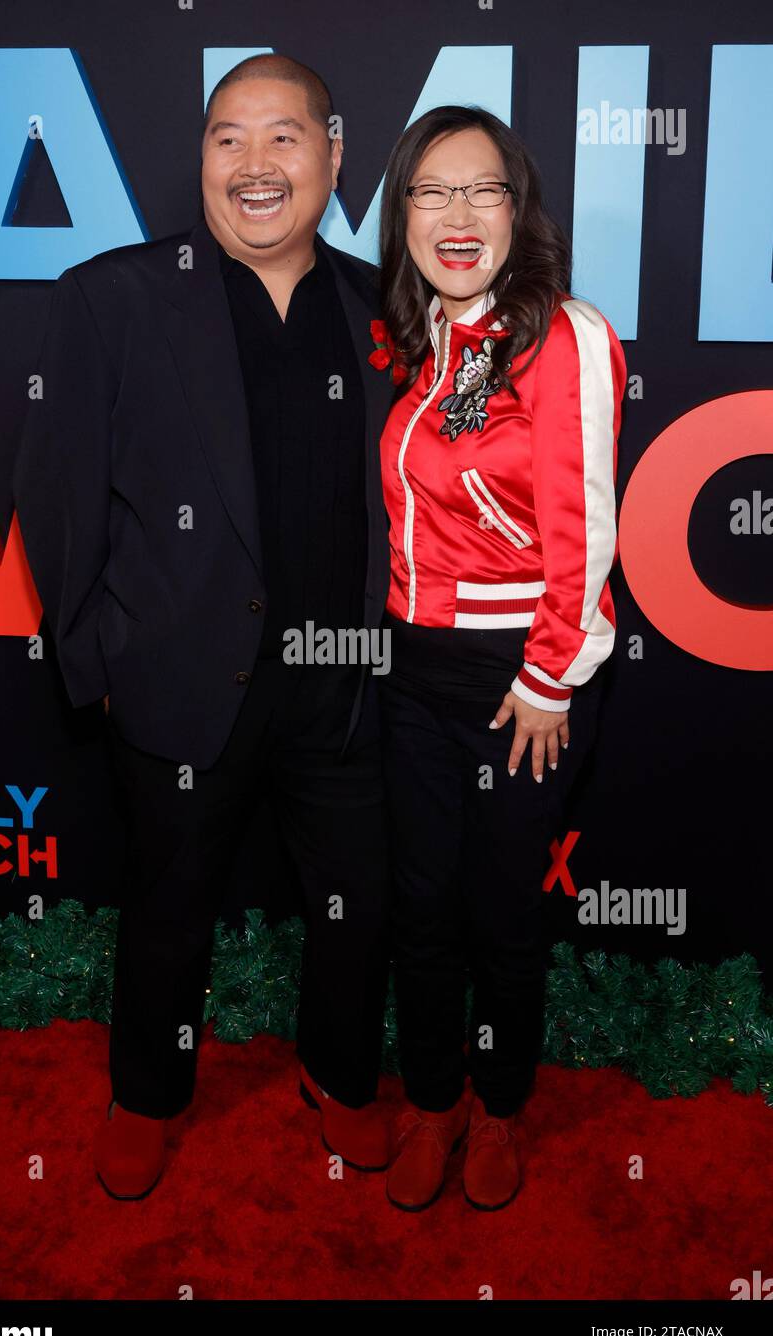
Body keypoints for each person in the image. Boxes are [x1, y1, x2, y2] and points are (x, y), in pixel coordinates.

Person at [12, 54, 395, 1200]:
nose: (254, 164)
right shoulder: (114, 296)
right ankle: (146, 1094)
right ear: (201, 162)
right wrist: (97, 660)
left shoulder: (385, 307)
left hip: (344, 686)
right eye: (227, 137)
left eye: (283, 136)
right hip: (179, 679)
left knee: (353, 908)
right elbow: (58, 493)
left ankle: (338, 1074)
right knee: (169, 908)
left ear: (332, 153)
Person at [373, 105, 627, 1212]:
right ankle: (431, 1102)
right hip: (411, 669)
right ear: (403, 215)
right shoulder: (424, 338)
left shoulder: (560, 333)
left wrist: (543, 676)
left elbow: (584, 528)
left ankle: (497, 1109)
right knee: (419, 903)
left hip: (517, 677)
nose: (458, 213)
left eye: (484, 190)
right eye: (432, 191)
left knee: (499, 910)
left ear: (519, 214)